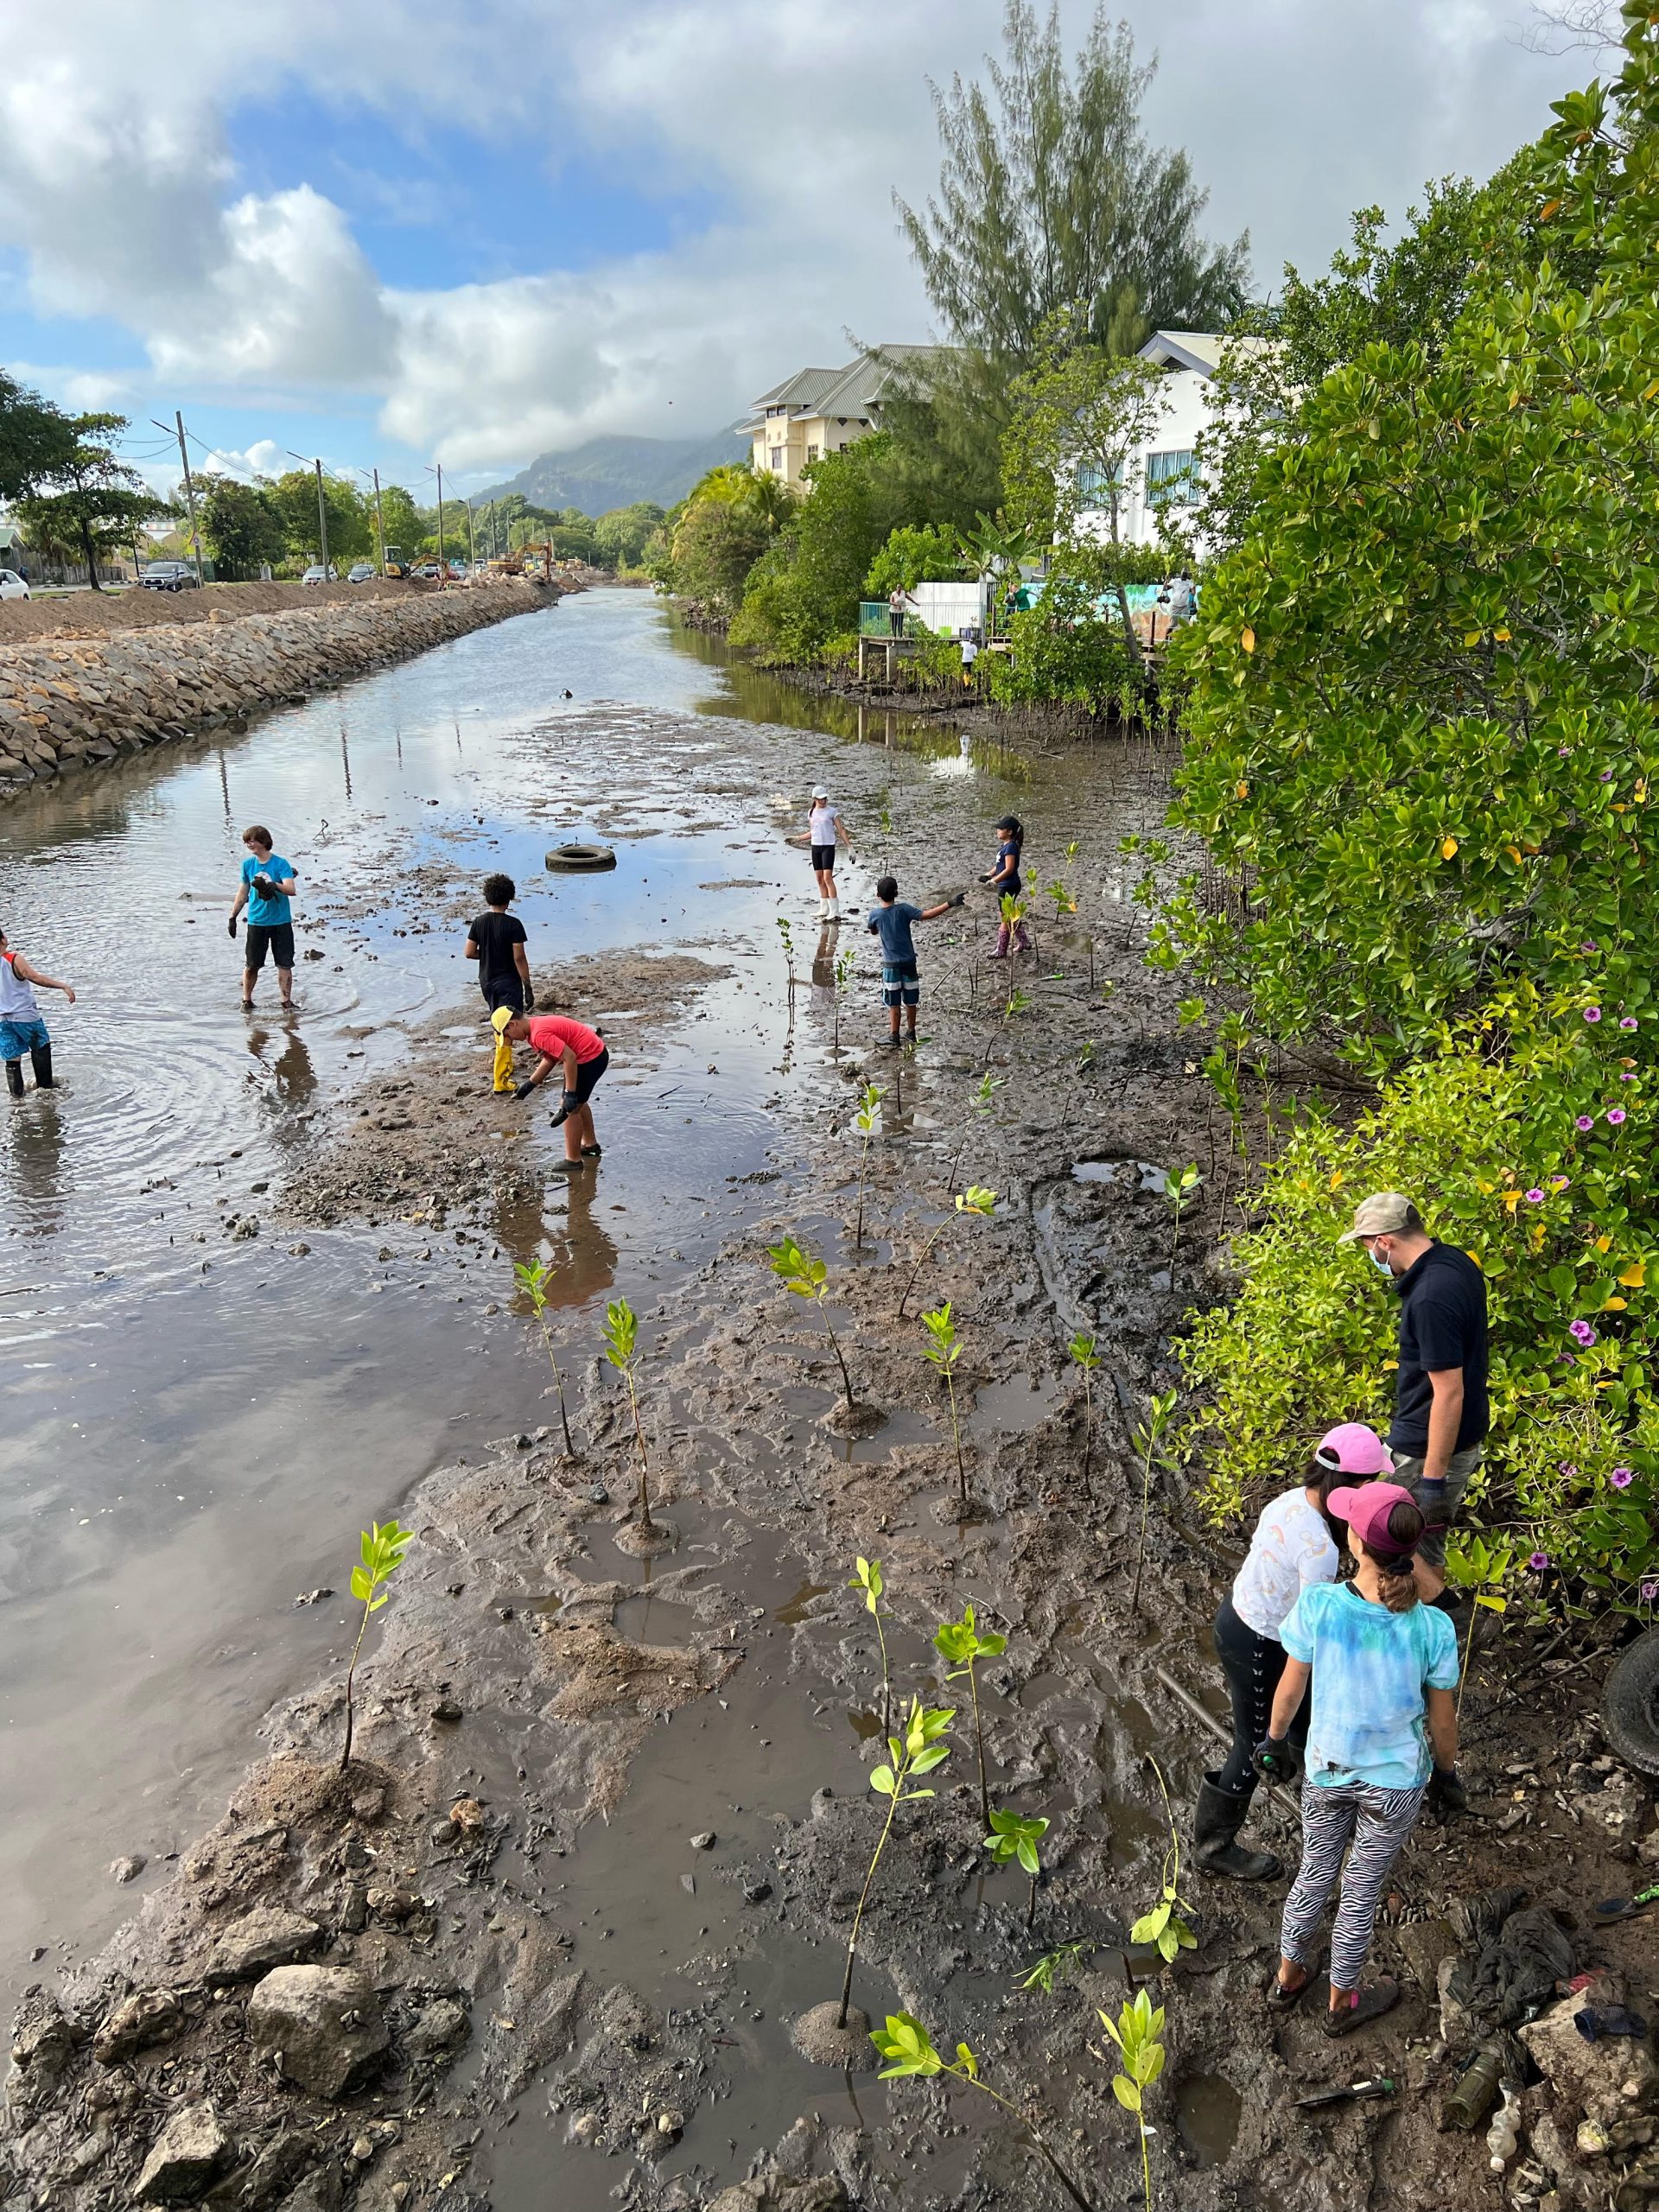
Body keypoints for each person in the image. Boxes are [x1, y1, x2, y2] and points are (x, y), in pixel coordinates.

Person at [1256, 1481, 1465, 2036]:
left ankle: (1288, 1978)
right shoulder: (1432, 1626)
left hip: (1328, 1770)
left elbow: (1289, 1689)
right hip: (1396, 1783)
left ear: (1355, 1543)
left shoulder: (1321, 1605)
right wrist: (1447, 1776)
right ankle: (1342, 2001)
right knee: (1362, 1888)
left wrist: (1274, 1742)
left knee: (1314, 1875)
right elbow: (1442, 1721)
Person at [1196, 1422, 1389, 1882]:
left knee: (1300, 1712)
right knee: (1254, 1740)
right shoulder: (1320, 1549)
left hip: (1237, 1615)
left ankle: (1313, 1788)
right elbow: (1312, 1631)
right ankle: (1212, 1846)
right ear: (1351, 1490)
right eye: (1372, 1486)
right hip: (1259, 1641)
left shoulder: (1289, 1500)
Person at [1338, 1193, 1489, 1600]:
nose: (1369, 1254)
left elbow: (1448, 1393)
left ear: (1385, 1241)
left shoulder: (1429, 1298)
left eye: (1367, 1245)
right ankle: (1433, 1627)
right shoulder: (1455, 1261)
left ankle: (1444, 1611)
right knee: (1427, 1538)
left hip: (1427, 1443)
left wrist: (1433, 1480)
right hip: (1462, 1436)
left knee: (1372, 1527)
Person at [502, 1009, 608, 1173]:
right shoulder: (534, 1029)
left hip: (589, 1058)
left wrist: (570, 1094)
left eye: (508, 1035)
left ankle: (573, 1160)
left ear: (512, 1024)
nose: (511, 1040)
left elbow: (569, 1057)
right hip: (594, 1054)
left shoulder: (538, 1034)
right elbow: (551, 1057)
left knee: (570, 1107)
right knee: (578, 1102)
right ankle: (590, 1145)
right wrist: (530, 1084)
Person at [867, 874, 957, 1046]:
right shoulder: (904, 909)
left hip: (891, 966)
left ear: (877, 895)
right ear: (896, 893)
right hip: (909, 963)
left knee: (893, 1003)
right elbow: (927, 915)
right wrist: (949, 903)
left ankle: (894, 1036)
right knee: (910, 1000)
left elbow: (872, 930)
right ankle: (911, 1032)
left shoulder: (875, 914)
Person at [466, 874, 533, 1094]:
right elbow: (519, 958)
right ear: (509, 898)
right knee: (508, 1027)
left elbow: (469, 953)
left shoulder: (479, 922)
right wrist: (528, 986)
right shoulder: (513, 925)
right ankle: (501, 1080)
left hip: (487, 981)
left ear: (488, 898)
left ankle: (504, 1066)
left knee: (498, 1022)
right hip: (509, 982)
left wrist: (486, 955)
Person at [229, 825, 298, 1011]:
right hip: (256, 922)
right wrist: (233, 916)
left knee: (284, 964)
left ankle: (286, 1001)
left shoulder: (281, 864)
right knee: (251, 965)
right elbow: (243, 891)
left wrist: (273, 886)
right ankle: (247, 1000)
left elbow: (291, 889)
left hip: (280, 922)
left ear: (264, 841)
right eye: (246, 841)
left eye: (252, 840)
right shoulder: (247, 865)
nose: (249, 844)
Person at [0, 925, 74, 1096]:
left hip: (2, 1020)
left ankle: (17, 1098)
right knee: (40, 1046)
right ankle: (46, 1091)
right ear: (3, 939)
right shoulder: (13, 959)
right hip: (25, 1016)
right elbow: (34, 977)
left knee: (12, 1058)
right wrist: (63, 986)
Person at [983, 815, 1031, 957]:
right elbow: (1000, 866)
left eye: (1000, 829)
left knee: (1004, 916)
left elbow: (1009, 869)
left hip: (1008, 886)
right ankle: (1024, 941)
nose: (997, 831)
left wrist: (994, 881)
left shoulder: (1011, 847)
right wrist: (988, 874)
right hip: (1007, 884)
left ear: (1009, 832)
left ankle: (1001, 950)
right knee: (1009, 914)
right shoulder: (1006, 846)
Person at [808, 786, 852, 922]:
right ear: (815, 799)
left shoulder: (832, 812)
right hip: (815, 847)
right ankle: (824, 908)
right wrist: (796, 838)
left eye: (825, 798)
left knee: (828, 878)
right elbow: (812, 832)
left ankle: (835, 911)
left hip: (828, 847)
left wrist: (850, 846)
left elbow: (841, 830)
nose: (823, 801)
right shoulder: (811, 812)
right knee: (820, 879)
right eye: (820, 799)